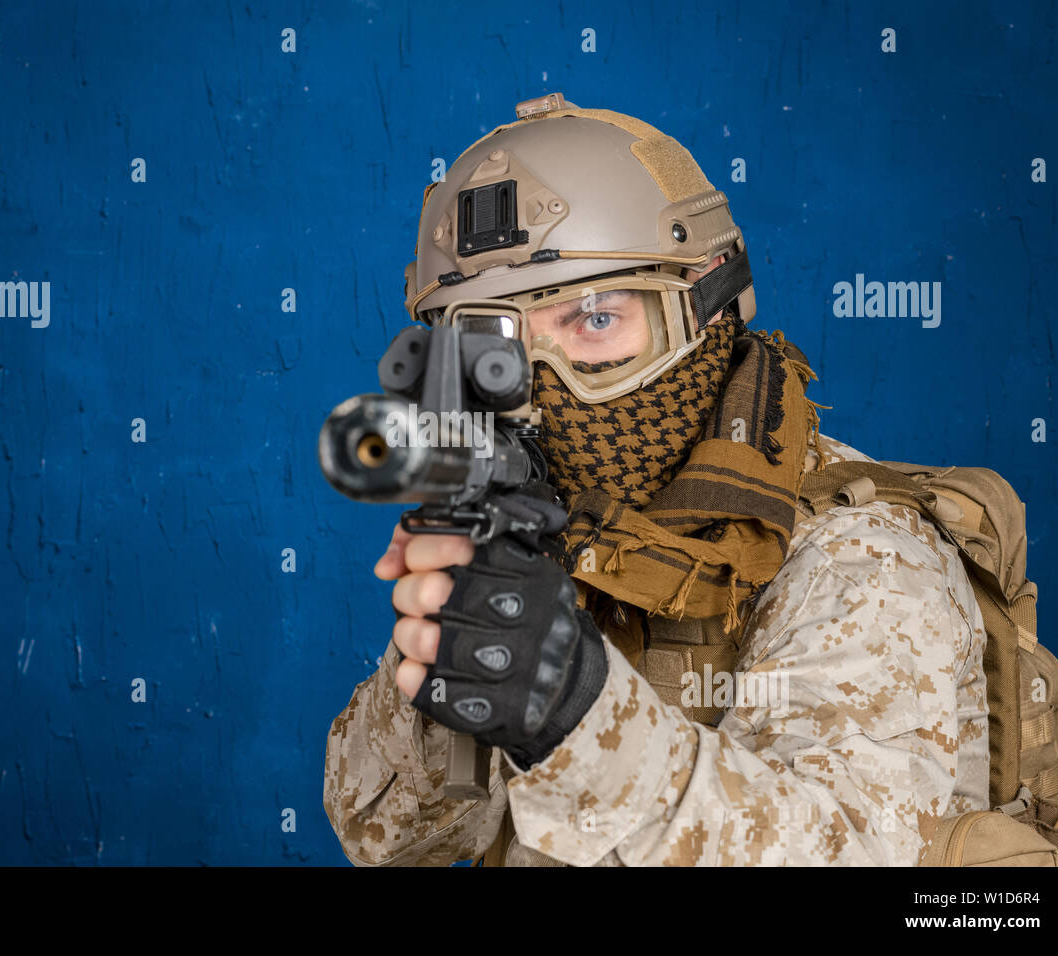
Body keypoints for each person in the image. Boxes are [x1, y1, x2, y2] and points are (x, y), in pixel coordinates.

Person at [323, 95, 989, 866]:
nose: (547, 383)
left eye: (595, 319)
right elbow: (389, 843)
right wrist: (451, 683)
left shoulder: (862, 556)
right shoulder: (542, 530)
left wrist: (573, 715)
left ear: (707, 306)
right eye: (497, 344)